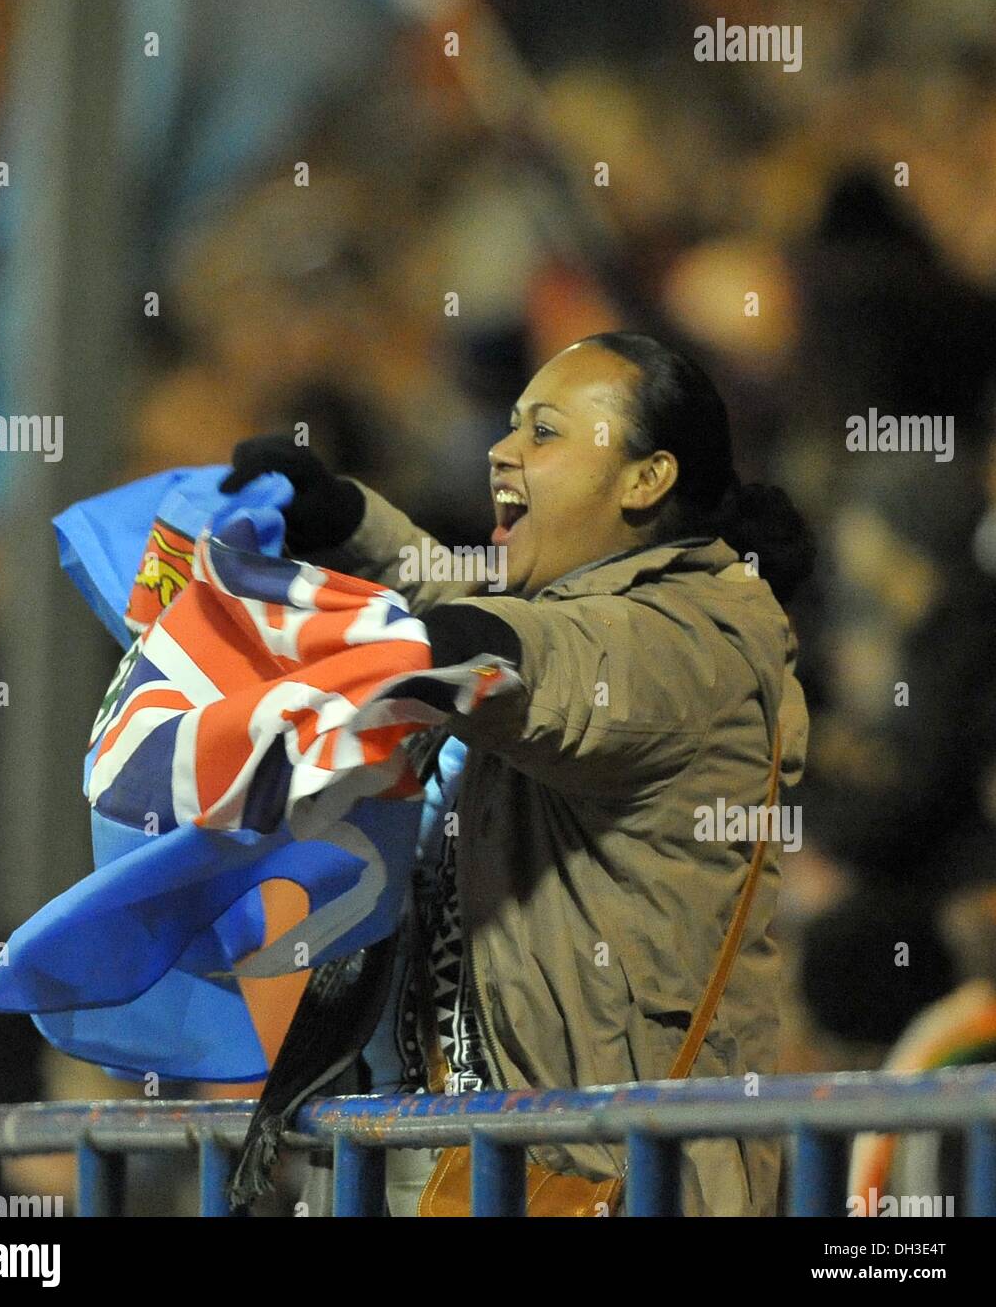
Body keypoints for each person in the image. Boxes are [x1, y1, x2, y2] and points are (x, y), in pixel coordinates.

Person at [222, 331, 813, 1215]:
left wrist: (448, 644)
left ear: (644, 480)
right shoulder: (568, 601)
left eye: (544, 432)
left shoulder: (703, 636)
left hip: (613, 1184)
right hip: (461, 1163)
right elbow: (469, 613)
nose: (501, 451)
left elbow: (545, 662)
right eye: (510, 427)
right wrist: (348, 525)